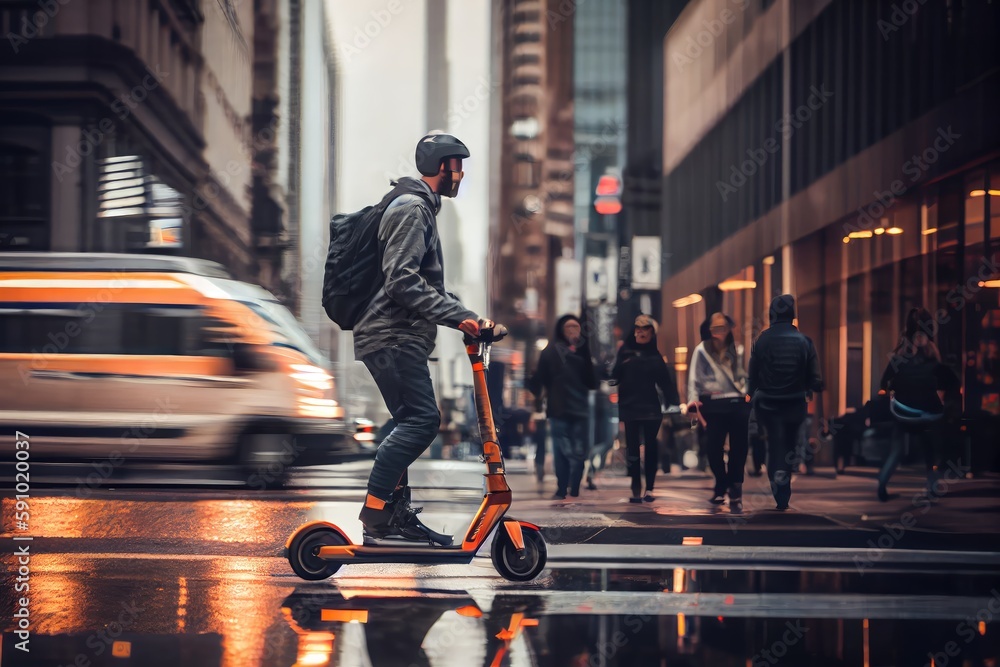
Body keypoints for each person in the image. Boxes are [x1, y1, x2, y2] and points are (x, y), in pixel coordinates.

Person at [354, 133, 493, 546]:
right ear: (441, 166)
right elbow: (401, 281)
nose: (461, 174)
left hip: (394, 336)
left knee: (405, 423)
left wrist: (468, 316)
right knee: (423, 421)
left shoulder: (416, 208)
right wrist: (459, 318)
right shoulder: (413, 209)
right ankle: (376, 515)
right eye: (457, 165)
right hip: (393, 336)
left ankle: (394, 517)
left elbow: (424, 283)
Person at [747, 295, 823, 510]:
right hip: (794, 402)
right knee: (790, 442)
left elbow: (753, 373)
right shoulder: (804, 341)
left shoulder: (762, 339)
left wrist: (751, 394)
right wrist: (813, 386)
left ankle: (777, 481)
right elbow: (814, 375)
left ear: (772, 314)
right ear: (793, 314)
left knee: (774, 442)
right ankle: (785, 482)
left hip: (768, 404)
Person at [877, 307, 960, 501]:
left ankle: (882, 484)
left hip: (902, 412)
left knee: (896, 451)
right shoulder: (933, 357)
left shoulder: (899, 357)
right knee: (930, 450)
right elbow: (950, 381)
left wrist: (893, 392)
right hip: (926, 413)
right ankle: (932, 488)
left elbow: (883, 384)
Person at [528, 314, 599, 500]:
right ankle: (561, 488)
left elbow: (593, 382)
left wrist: (585, 354)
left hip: (580, 410)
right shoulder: (550, 352)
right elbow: (539, 380)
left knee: (578, 451)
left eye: (576, 327)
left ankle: (574, 487)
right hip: (559, 409)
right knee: (560, 450)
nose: (573, 331)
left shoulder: (583, 352)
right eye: (569, 327)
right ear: (561, 329)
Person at [612, 314, 680, 503]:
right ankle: (635, 485)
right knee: (632, 448)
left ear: (652, 332)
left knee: (651, 448)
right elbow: (614, 376)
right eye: (638, 328)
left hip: (651, 408)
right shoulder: (625, 351)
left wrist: (675, 403)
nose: (641, 332)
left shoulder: (654, 354)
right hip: (629, 407)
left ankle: (649, 487)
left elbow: (665, 382)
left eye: (645, 329)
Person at [687, 312, 749, 509]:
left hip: (737, 401)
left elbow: (746, 376)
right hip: (712, 403)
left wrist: (748, 393)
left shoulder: (737, 349)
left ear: (729, 329)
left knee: (739, 448)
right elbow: (693, 380)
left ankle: (735, 486)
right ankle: (722, 483)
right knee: (713, 448)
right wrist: (693, 402)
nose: (718, 333)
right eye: (715, 329)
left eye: (722, 328)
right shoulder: (701, 350)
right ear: (709, 330)